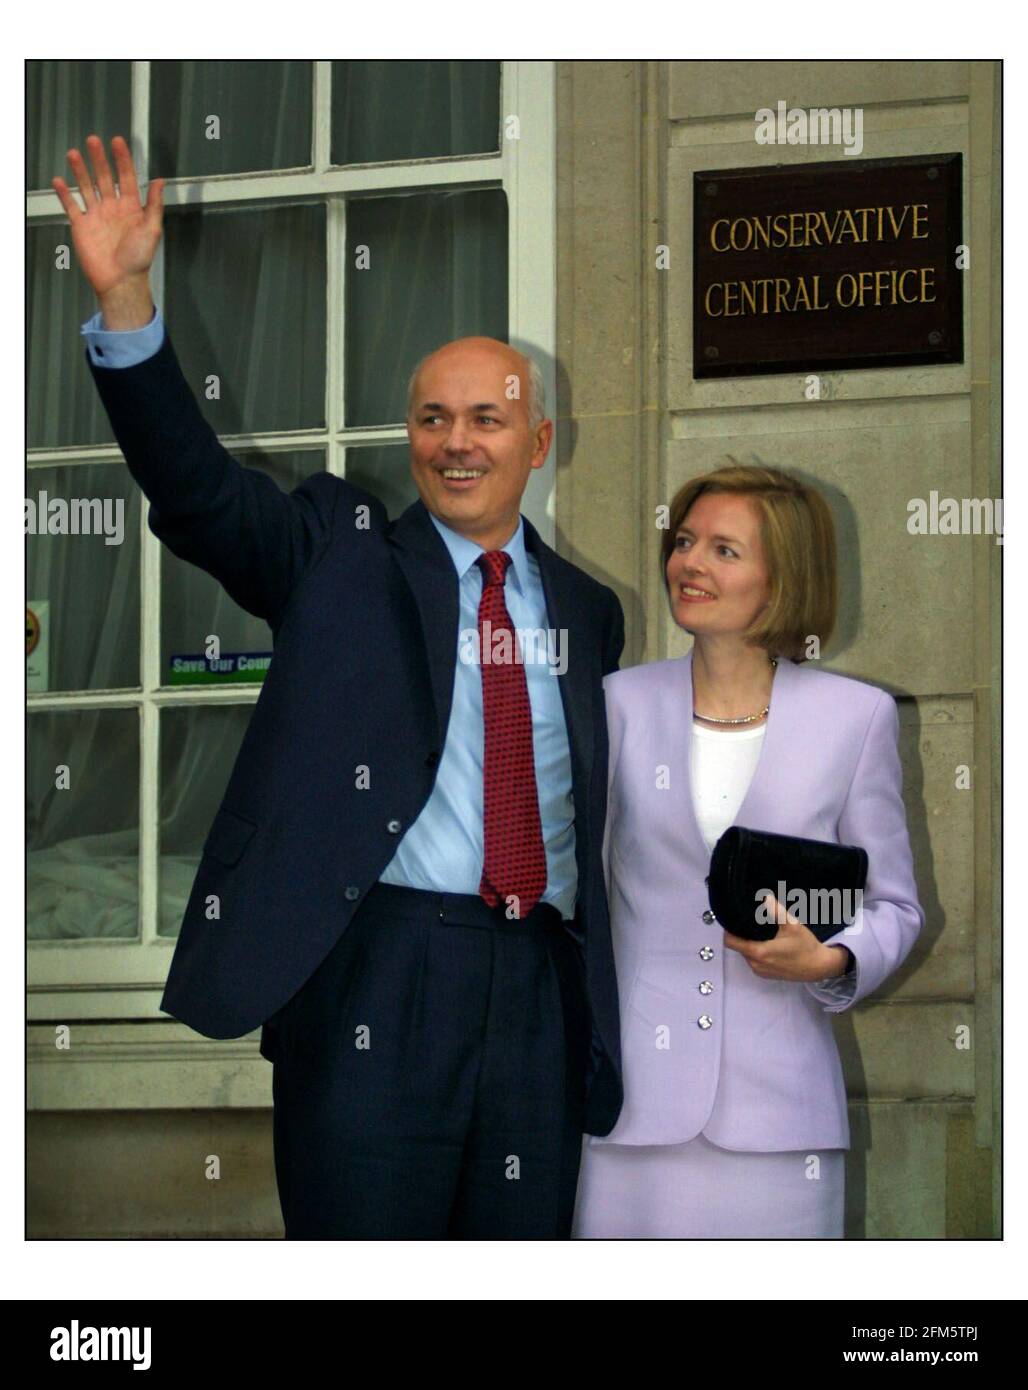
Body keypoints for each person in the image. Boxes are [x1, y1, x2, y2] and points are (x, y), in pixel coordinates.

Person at [53, 134, 627, 1239]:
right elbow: (200, 491)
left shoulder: (589, 613)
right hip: (377, 979)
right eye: (429, 419)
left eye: (485, 419)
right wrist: (126, 301)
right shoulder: (337, 552)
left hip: (536, 993)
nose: (453, 444)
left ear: (539, 440)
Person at [572, 462, 924, 1238]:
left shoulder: (855, 718)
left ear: (783, 576)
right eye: (685, 541)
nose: (690, 563)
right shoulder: (614, 704)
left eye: (724, 550)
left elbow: (895, 905)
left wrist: (833, 961)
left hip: (782, 1126)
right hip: (632, 1116)